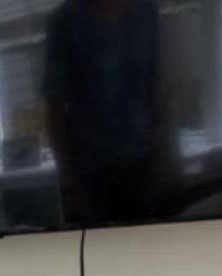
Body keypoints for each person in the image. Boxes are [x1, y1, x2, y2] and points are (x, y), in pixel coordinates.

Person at [43, 0, 162, 224]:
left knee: (146, 250)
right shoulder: (64, 22)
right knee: (101, 254)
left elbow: (153, 84)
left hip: (141, 165)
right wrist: (68, 178)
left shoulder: (146, 11)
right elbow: (53, 107)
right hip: (91, 175)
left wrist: (154, 140)